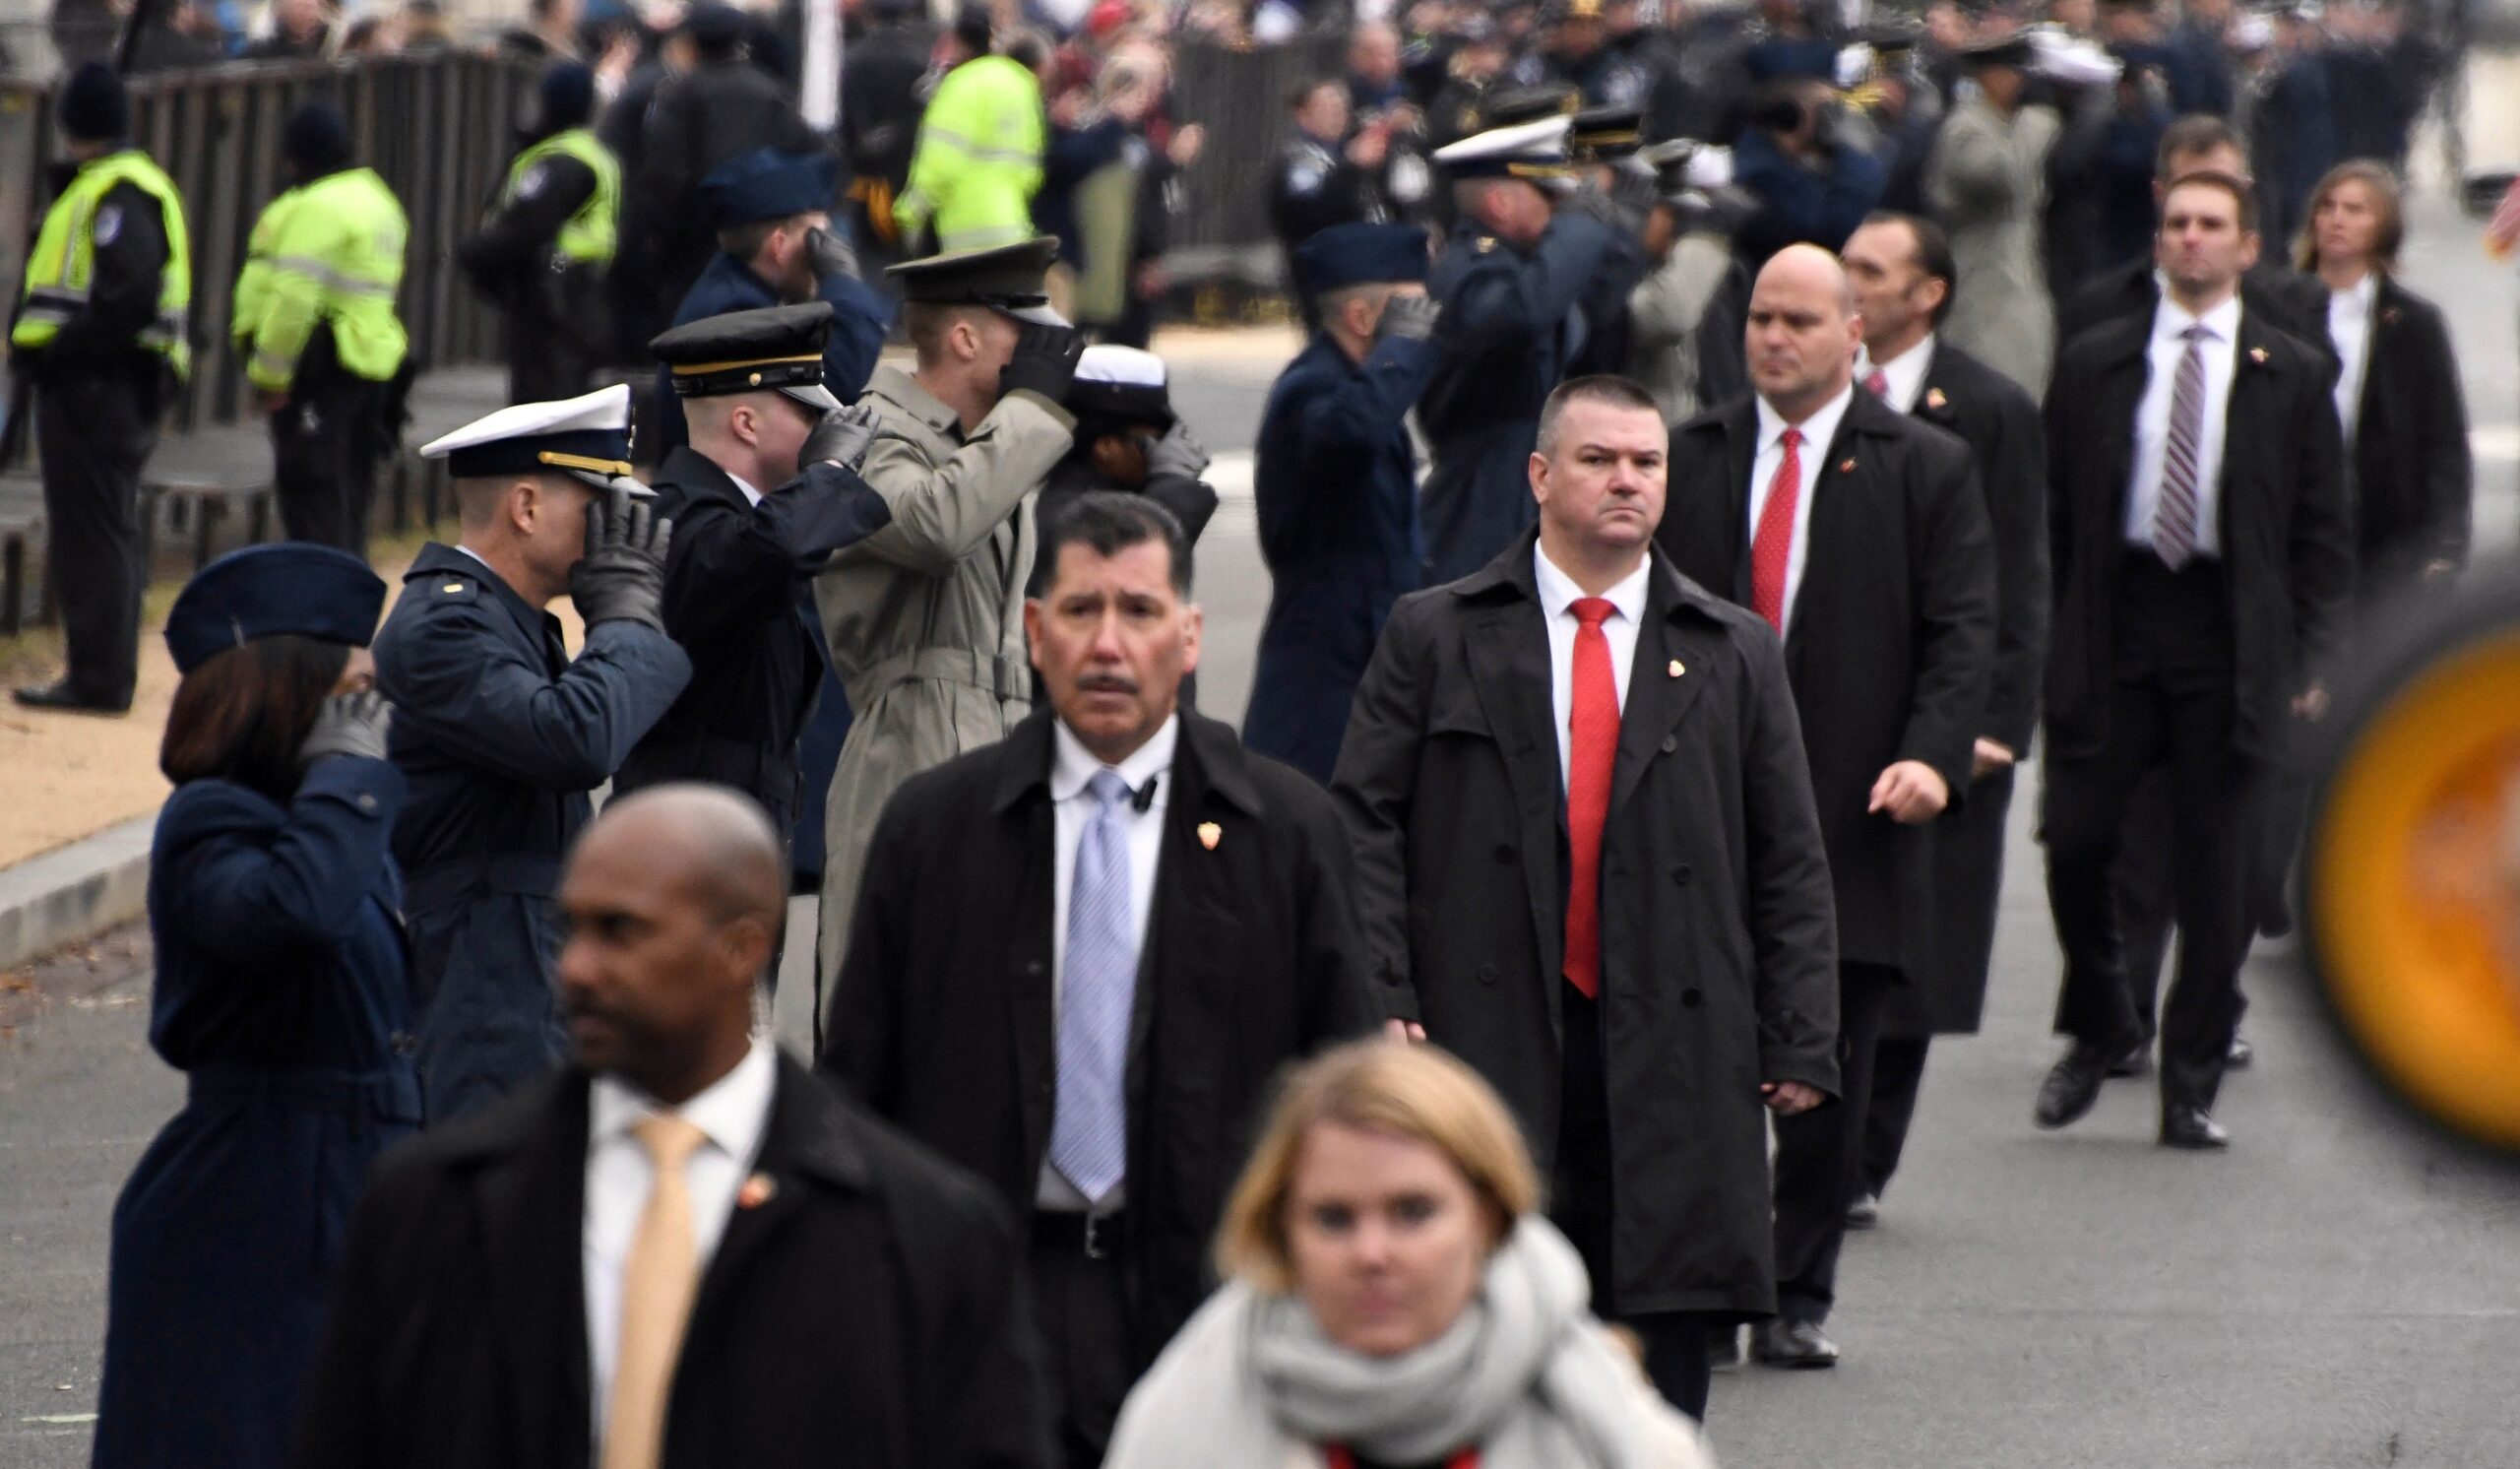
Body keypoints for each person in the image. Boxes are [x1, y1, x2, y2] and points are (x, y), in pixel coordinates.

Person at [825, 493, 1381, 1466]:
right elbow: (858, 1091)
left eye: (1139, 610)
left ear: (1190, 633)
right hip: (992, 1296)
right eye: (1081, 611)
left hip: (1213, 1301)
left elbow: (1347, 1085)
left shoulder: (1284, 832)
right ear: (1035, 632)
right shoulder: (937, 829)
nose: (1110, 644)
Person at [1334, 374, 1841, 1419]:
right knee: (1485, 1325)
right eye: (1598, 460)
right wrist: (1382, 990)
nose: (1625, 481)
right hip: (1488, 1029)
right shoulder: (1436, 633)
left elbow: (1786, 855)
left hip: (1674, 1040)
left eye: (1645, 463)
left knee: (1657, 1349)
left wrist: (1797, 1036)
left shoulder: (1731, 648)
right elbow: (1362, 824)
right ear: (1539, 475)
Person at [293, 786, 1056, 1469]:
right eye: (573, 929)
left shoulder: (923, 1237)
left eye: (621, 932)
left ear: (742, 949)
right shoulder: (432, 1210)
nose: (578, 968)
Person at [1659, 246, 1995, 1365]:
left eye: (1800, 319)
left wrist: (1933, 760)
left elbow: (1960, 634)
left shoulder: (1924, 465)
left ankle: (1797, 1292)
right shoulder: (1692, 454)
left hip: (1851, 810)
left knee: (1820, 1063)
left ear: (1854, 330)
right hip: (1700, 807)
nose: (1773, 338)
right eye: (1758, 317)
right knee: (1696, 1065)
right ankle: (1705, 1288)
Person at [2033, 171, 2350, 1150]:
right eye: (2175, 223)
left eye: (2211, 225)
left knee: (2219, 874)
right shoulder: (2094, 361)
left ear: (2248, 246)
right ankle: (2101, 1019)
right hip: (2118, 623)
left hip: (2230, 635)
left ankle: (2190, 1081)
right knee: (2078, 840)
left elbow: (2318, 535)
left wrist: (2313, 658)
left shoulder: (2290, 372)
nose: (2190, 239)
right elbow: (2052, 515)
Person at [91, 543, 408, 1469]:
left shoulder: (335, 823)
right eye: (352, 689)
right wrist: (346, 780)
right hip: (252, 1203)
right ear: (292, 691)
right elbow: (293, 917)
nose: (372, 716)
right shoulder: (212, 819)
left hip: (354, 1186)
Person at [1103, 1041, 1714, 1469]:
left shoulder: (1625, 1436)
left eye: (1413, 1212)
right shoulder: (1175, 1423)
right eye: (1333, 1219)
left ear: (1488, 1217)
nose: (1372, 1254)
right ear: (1280, 1231)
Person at [374, 386, 693, 1121]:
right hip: (480, 975)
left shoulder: (501, 618)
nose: (618, 533)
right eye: (598, 506)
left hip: (515, 962)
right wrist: (626, 615)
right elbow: (577, 740)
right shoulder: (443, 626)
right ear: (525, 507)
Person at [1839, 213, 2049, 1225]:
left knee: (1913, 946)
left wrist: (1998, 720)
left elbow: (2018, 574)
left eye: (1869, 272)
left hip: (1942, 713)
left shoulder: (1985, 406)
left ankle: (1863, 1155)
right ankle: (1813, 1138)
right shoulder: (1808, 393)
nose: (1849, 286)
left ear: (1925, 293)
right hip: (1828, 703)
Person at [812, 239, 1080, 1013]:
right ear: (966, 339)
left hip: (1002, 732)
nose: (1041, 359)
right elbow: (934, 526)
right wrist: (1032, 411)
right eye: (1022, 337)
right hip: (912, 736)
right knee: (902, 988)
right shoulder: (874, 432)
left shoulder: (981, 447)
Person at [614, 304, 893, 860]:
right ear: (746, 423)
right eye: (808, 417)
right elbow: (775, 548)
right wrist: (829, 474)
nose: (822, 434)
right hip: (682, 838)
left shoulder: (732, 518)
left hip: (731, 827)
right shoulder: (676, 520)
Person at [9, 65, 188, 718]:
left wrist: (63, 348)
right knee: (103, 526)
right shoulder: (123, 185)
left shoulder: (116, 192)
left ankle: (98, 679)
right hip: (109, 380)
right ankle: (98, 671)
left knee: (95, 531)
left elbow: (131, 290)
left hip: (97, 383)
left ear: (73, 124)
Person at [1243, 223, 1440, 786]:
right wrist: (1402, 350)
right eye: (1410, 313)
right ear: (1361, 317)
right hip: (1324, 669)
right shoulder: (1312, 387)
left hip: (1370, 651)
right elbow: (1348, 433)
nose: (1425, 328)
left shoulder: (1356, 384)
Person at [1417, 114, 1618, 585]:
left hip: (1521, 471)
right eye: (1549, 197)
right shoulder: (1470, 267)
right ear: (1499, 202)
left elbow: (1594, 306)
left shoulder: (1522, 267)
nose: (1559, 211)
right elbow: (1523, 312)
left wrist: (1616, 226)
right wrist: (1579, 228)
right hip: (1481, 484)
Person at [231, 101, 409, 559]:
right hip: (369, 366)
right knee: (351, 497)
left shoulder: (318, 206)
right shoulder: (378, 200)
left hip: (318, 373)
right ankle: (345, 614)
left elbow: (293, 299)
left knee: (312, 501)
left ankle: (317, 622)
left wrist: (271, 375)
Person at [646, 146, 895, 460]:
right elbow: (837, 386)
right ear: (779, 244)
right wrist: (842, 279)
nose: (824, 254)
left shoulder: (731, 291)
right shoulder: (738, 315)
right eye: (818, 239)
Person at [2297, 160, 2469, 601]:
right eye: (2329, 207)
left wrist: (2445, 545)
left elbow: (2442, 439)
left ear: (2384, 226)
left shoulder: (2413, 322)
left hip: (2385, 531)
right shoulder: (2279, 309)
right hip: (2296, 528)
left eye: (2356, 210)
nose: (2337, 219)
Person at [633, 3, 823, 311]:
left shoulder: (678, 94)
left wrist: (658, 238)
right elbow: (805, 151)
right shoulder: (769, 90)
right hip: (760, 238)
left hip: (693, 239)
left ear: (692, 42)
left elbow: (662, 174)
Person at [459, 63, 620, 405]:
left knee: (545, 411)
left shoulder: (564, 160)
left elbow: (524, 228)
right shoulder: (584, 151)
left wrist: (471, 253)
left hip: (558, 302)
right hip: (576, 299)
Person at [1922, 34, 2061, 395]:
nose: (2019, 82)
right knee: (1988, 378)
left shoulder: (2010, 124)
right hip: (1981, 280)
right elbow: (2003, 178)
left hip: (2021, 271)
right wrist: (2036, 125)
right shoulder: (1966, 127)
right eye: (2011, 72)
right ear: (1990, 76)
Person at [1033, 346, 1218, 600]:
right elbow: (1129, 561)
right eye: (1155, 439)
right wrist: (1172, 482)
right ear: (1106, 447)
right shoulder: (1067, 513)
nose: (1167, 451)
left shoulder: (1090, 496)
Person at [895, 6, 1046, 253]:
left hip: (965, 229)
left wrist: (909, 212)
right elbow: (1032, 166)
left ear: (957, 41)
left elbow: (940, 165)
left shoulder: (959, 85)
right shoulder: (1020, 82)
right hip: (1012, 224)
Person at [1269, 80, 1393, 329]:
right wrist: (1351, 169)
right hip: (1324, 272)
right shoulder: (1299, 159)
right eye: (1327, 109)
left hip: (1366, 266)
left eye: (1341, 109)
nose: (1337, 115)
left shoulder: (1346, 151)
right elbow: (1310, 212)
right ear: (1303, 115)